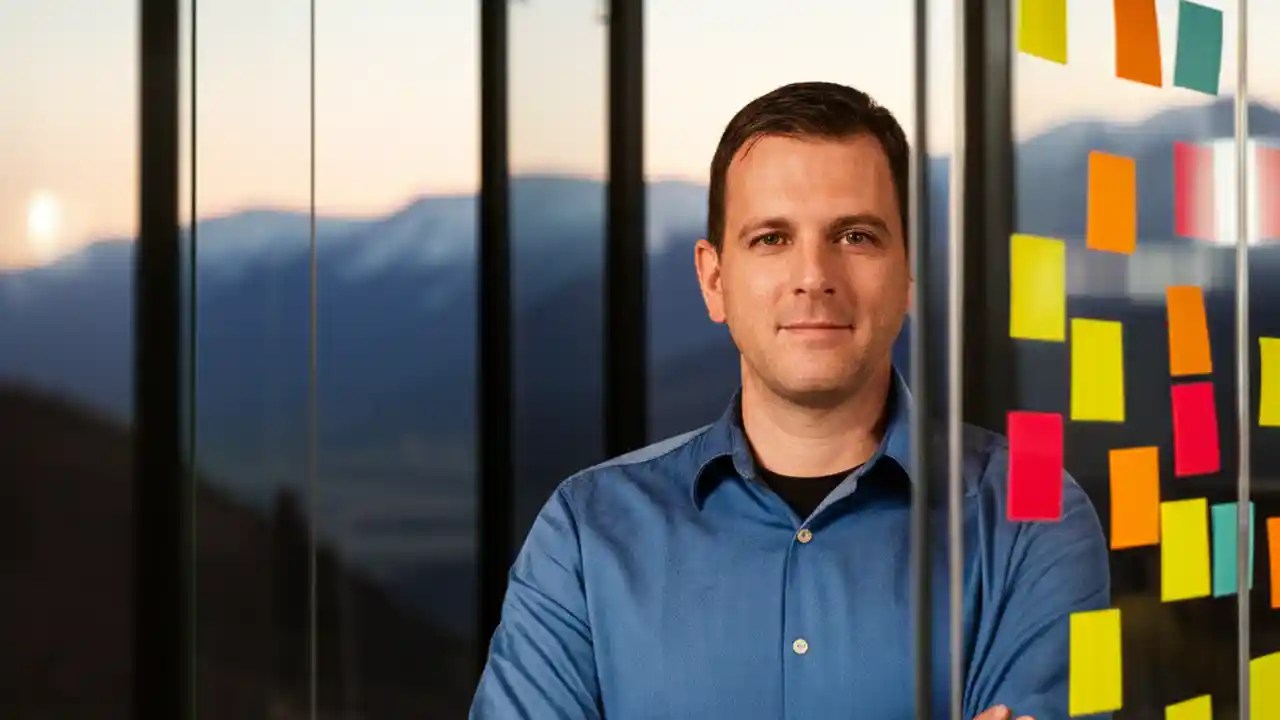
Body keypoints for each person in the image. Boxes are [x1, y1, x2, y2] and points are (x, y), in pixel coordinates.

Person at [469, 81, 1110, 720]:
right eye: (772, 239)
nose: (814, 277)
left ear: (908, 274)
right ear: (714, 280)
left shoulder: (1039, 509)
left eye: (855, 236)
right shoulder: (585, 530)